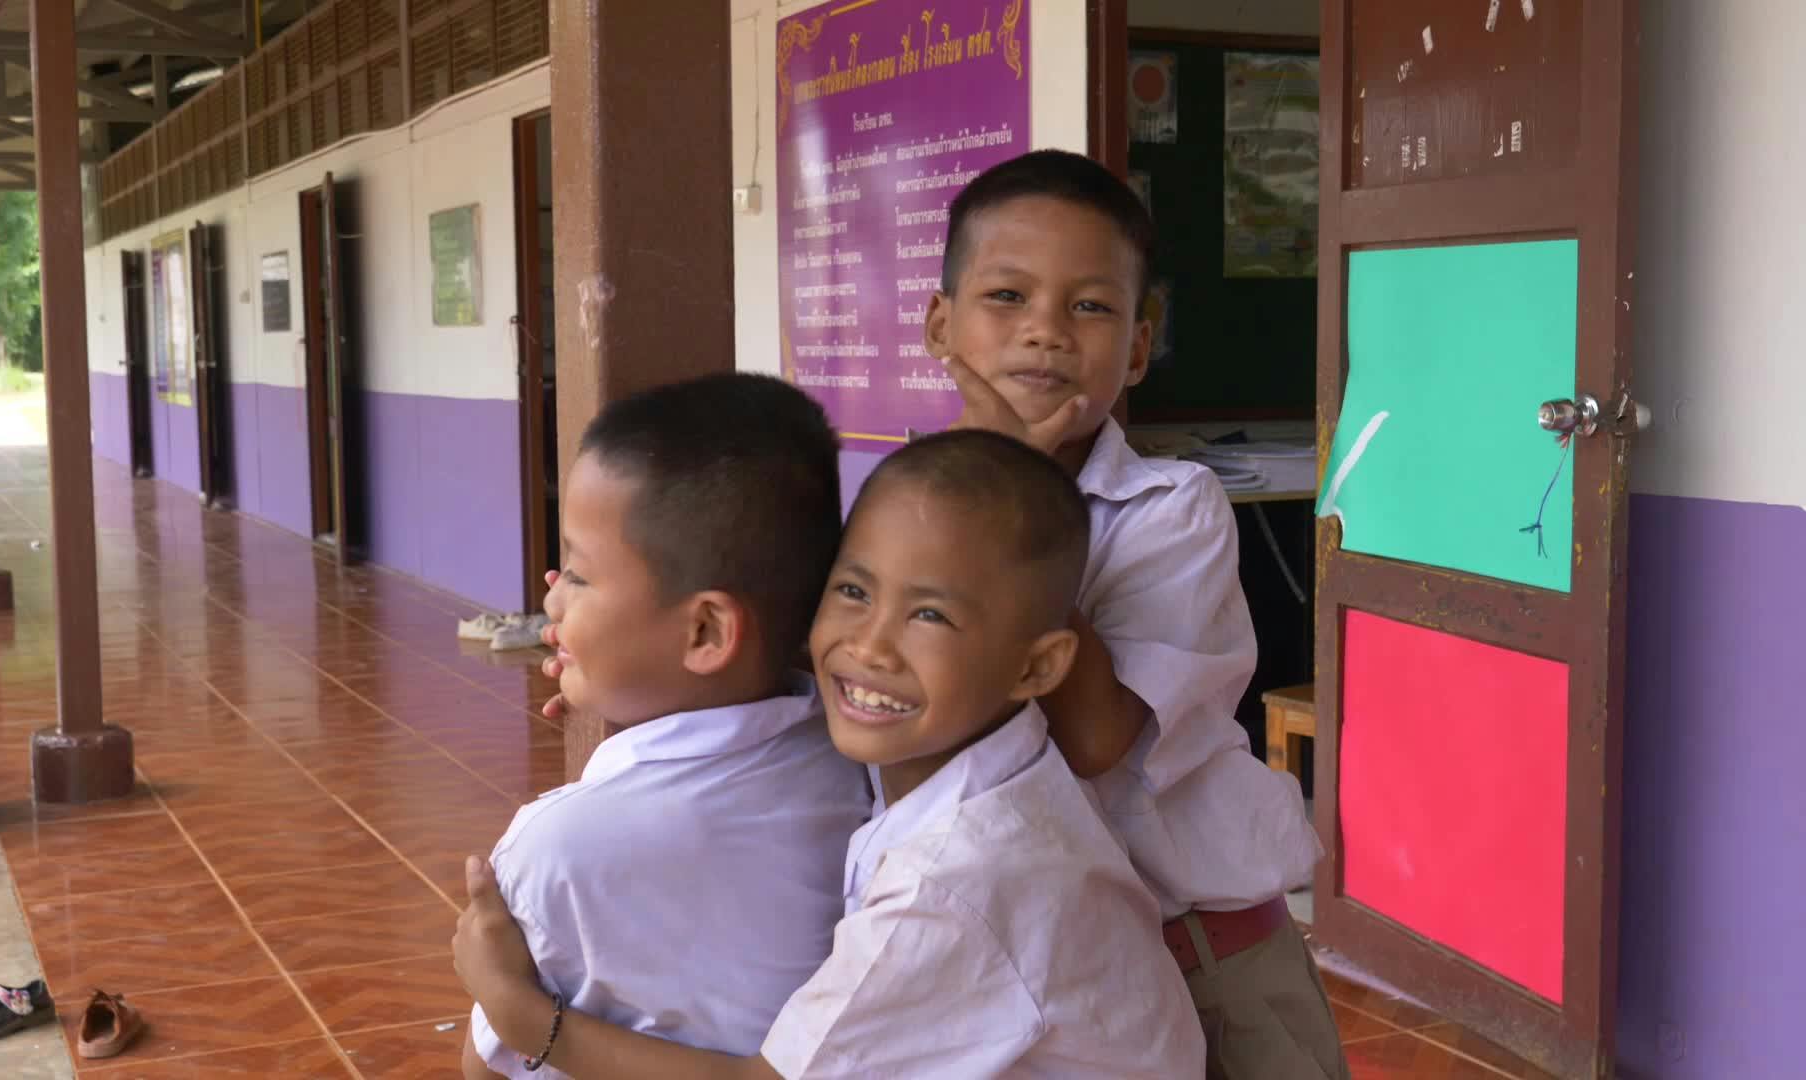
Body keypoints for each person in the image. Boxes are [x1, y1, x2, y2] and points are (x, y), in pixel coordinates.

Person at [455, 430, 1205, 1078]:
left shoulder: (956, 881)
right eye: (851, 591)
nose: (869, 646)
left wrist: (526, 1018)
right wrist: (617, 674)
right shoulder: (947, 748)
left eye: (931, 614)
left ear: (1037, 668)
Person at [929, 149, 1346, 1078]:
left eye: (1091, 306)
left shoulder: (1172, 509)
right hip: (1014, 969)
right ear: (938, 323)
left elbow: (1094, 738)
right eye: (1007, 297)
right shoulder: (893, 520)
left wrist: (1015, 500)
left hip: (1203, 960)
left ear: (1139, 346)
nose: (1046, 332)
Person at [459, 373, 871, 1079]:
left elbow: (483, 1065)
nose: (553, 601)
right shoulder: (856, 761)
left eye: (580, 578)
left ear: (706, 630)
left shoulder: (556, 846)